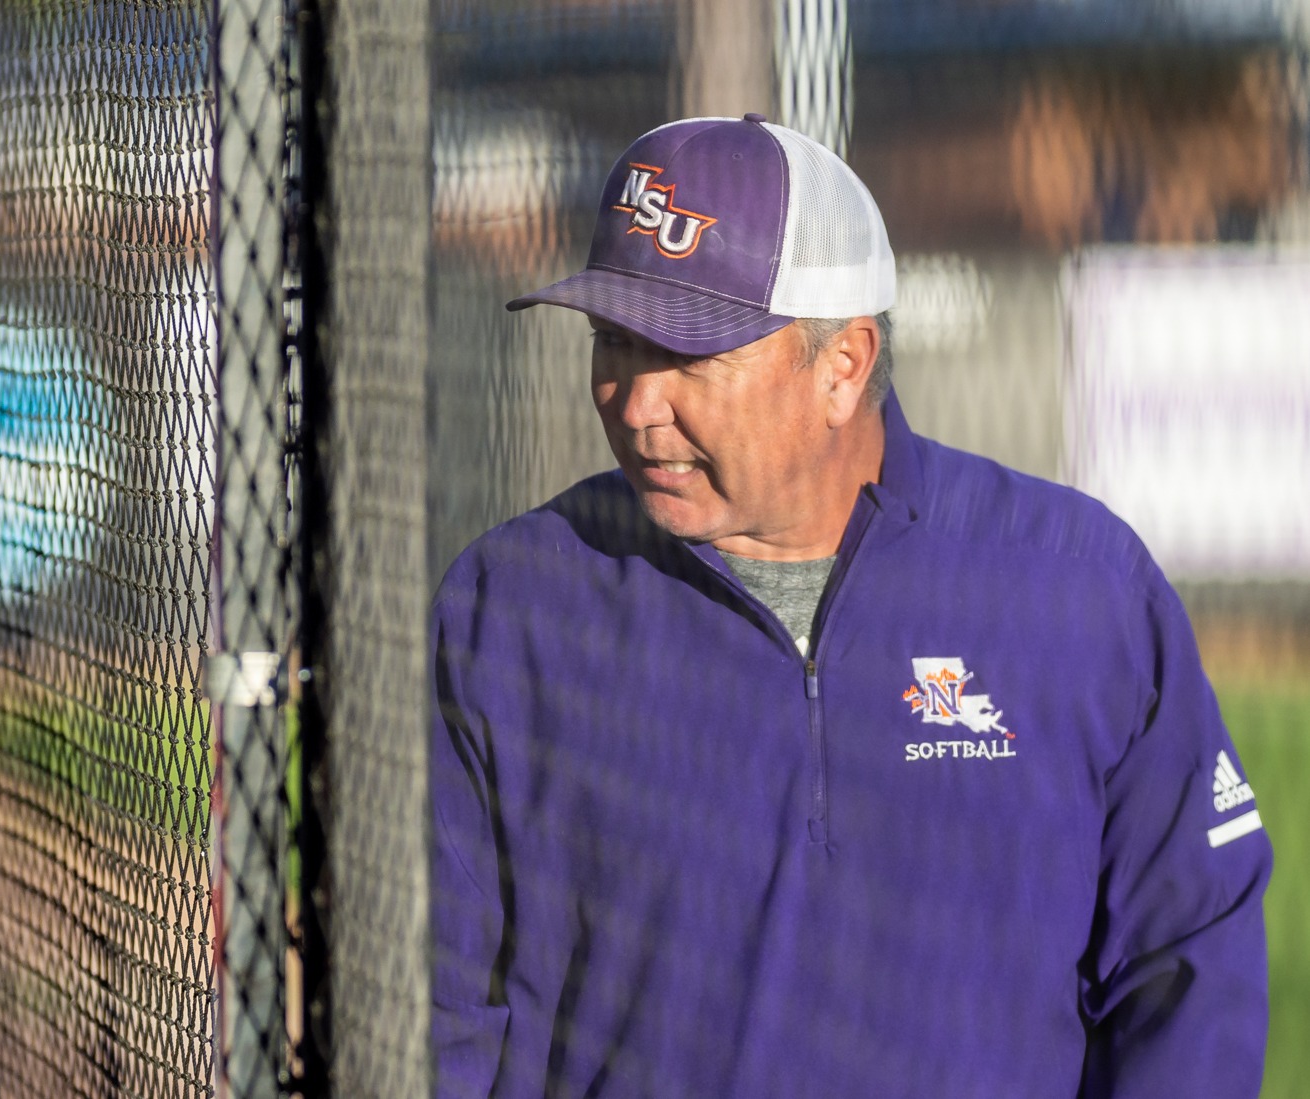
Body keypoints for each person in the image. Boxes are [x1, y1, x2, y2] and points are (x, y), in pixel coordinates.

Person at [430, 113, 1271, 1097]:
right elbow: (433, 999)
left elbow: (1188, 963)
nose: (634, 401)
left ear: (841, 366)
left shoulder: (1077, 588)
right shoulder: (511, 605)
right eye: (613, 340)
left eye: (686, 357)